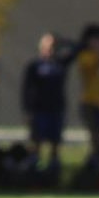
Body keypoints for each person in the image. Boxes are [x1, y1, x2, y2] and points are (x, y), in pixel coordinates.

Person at [21, 33, 70, 184]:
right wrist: (28, 110)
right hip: (39, 110)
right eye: (49, 45)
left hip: (55, 109)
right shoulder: (34, 66)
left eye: (54, 46)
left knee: (55, 143)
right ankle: (33, 174)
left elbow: (76, 48)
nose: (51, 48)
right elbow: (26, 90)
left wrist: (61, 41)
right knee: (36, 142)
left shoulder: (60, 64)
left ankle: (53, 175)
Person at [72, 23, 99, 174]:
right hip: (91, 104)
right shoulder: (87, 56)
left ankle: (98, 168)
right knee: (96, 139)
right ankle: (92, 170)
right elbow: (89, 66)